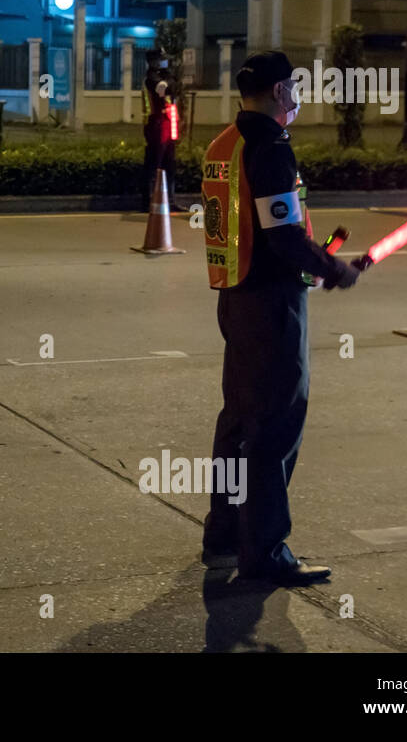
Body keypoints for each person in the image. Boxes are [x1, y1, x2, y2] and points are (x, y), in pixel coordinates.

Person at [199, 51, 361, 586]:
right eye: (292, 85)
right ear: (275, 91)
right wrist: (331, 269)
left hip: (237, 297)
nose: (296, 94)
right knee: (274, 425)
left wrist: (319, 259)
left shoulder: (227, 143)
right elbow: (283, 234)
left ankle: (223, 533)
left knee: (239, 420)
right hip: (271, 306)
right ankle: (265, 552)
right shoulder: (270, 149)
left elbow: (259, 228)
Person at [141, 48, 184, 212]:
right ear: (154, 61)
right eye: (161, 60)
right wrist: (169, 78)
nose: (164, 62)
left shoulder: (164, 76)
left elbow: (174, 87)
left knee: (170, 165)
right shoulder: (151, 79)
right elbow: (166, 89)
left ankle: (170, 200)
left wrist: (169, 77)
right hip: (156, 125)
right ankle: (149, 201)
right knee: (154, 164)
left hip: (168, 124)